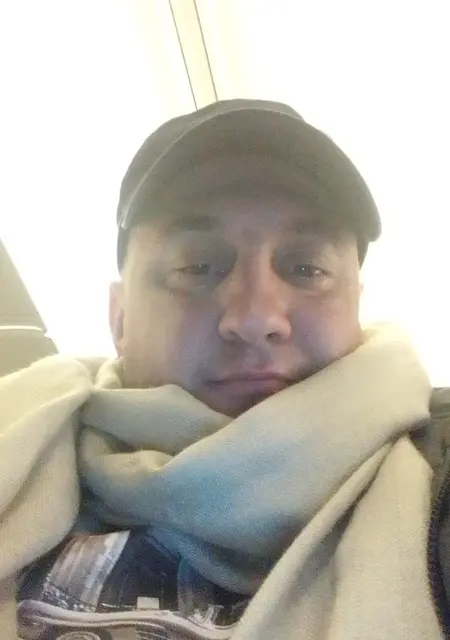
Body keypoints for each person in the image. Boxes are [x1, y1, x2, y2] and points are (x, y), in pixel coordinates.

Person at [1, 99, 450, 640]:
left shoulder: (436, 473)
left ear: (357, 306)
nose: (256, 319)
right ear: (119, 319)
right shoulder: (20, 441)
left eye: (306, 268)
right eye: (197, 267)